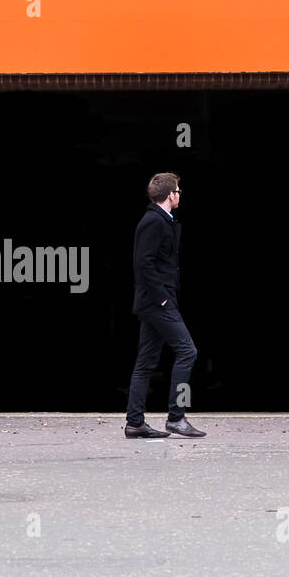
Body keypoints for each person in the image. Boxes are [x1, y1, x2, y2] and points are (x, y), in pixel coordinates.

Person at [124, 172, 205, 438]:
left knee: (146, 361)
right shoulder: (153, 221)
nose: (180, 194)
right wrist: (162, 297)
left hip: (154, 301)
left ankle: (135, 423)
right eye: (178, 190)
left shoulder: (161, 220)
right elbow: (142, 263)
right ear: (170, 194)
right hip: (157, 302)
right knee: (187, 350)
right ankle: (176, 418)